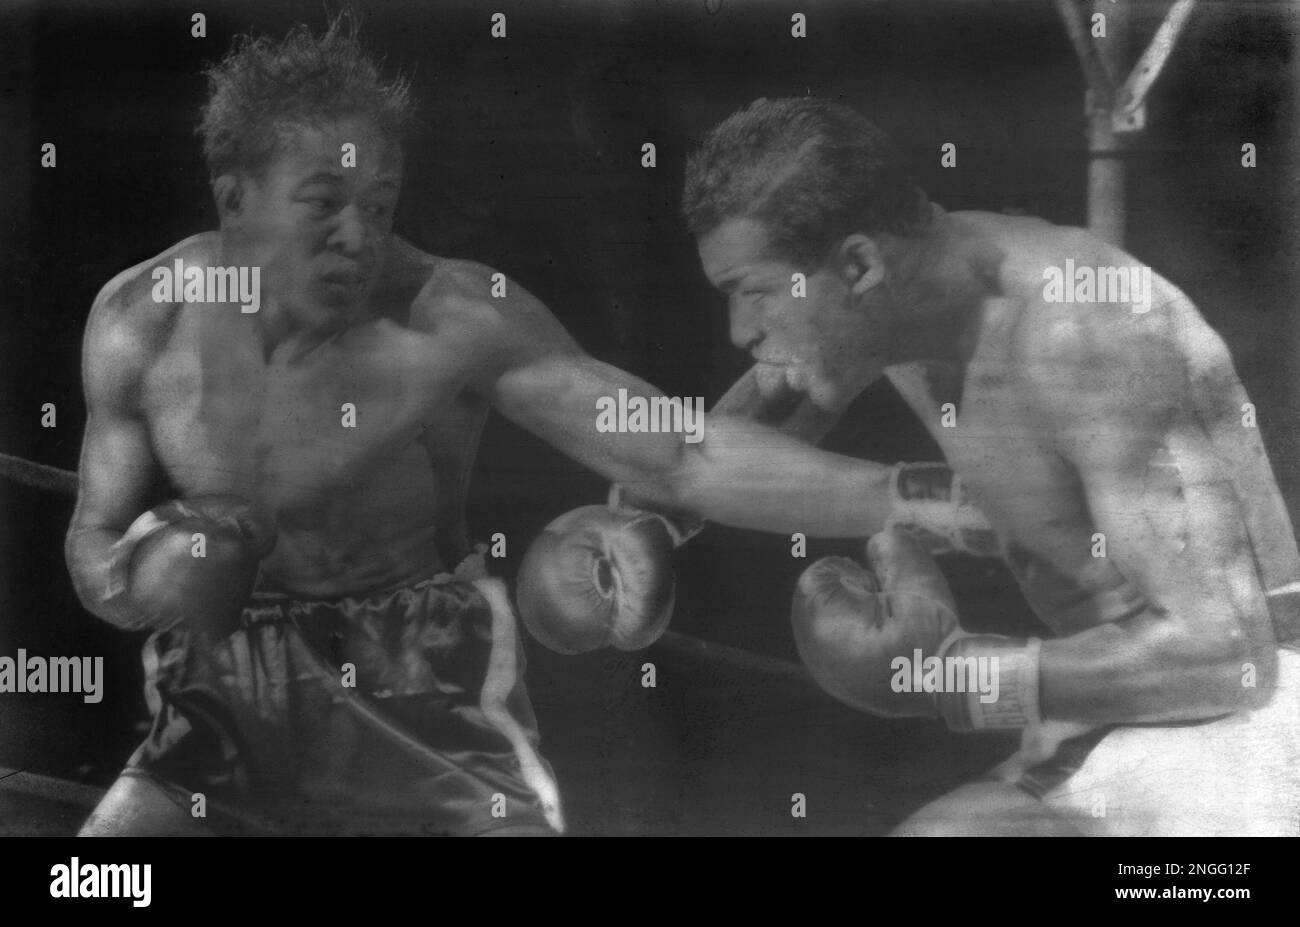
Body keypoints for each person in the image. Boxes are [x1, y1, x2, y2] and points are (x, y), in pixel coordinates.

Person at [64, 22, 933, 837]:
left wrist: (902, 494)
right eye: (324, 202)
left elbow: (678, 449)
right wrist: (138, 580)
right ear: (234, 197)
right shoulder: (138, 322)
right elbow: (93, 541)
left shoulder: (455, 315)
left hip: (424, 692)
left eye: (380, 201)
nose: (358, 234)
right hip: (220, 700)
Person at [682, 96, 1300, 836]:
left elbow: (1229, 656)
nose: (741, 329)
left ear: (858, 262)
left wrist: (954, 680)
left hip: (1253, 710)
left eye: (753, 293)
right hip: (1116, 714)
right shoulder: (888, 304)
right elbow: (706, 453)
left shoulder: (1086, 329)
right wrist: (646, 520)